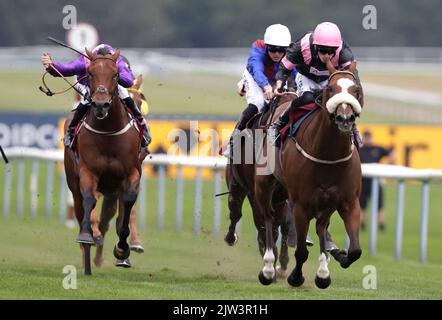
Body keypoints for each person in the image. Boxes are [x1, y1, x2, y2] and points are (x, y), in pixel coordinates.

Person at [269, 21, 362, 147]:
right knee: (307, 98)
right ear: (315, 46)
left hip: (328, 79)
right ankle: (279, 123)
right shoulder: (301, 46)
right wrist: (279, 83)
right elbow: (284, 67)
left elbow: (353, 75)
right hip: (306, 77)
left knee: (342, 99)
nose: (327, 56)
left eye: (331, 52)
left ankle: (353, 127)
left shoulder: (343, 50)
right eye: (323, 51)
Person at [41, 44, 150, 149]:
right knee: (85, 100)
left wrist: (112, 74)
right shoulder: (84, 62)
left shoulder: (117, 61)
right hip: (88, 83)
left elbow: (128, 81)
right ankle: (71, 131)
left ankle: (143, 126)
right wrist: (51, 66)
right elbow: (65, 69)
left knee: (126, 96)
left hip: (111, 83)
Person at [223, 23, 297, 158]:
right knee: (258, 103)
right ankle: (233, 141)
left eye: (281, 50)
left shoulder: (292, 51)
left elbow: (297, 73)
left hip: (278, 77)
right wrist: (265, 86)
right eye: (273, 49)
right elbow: (257, 70)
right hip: (255, 76)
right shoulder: (258, 47)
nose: (277, 54)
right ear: (267, 46)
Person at [359, 130, 395, 231]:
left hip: (376, 181)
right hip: (363, 181)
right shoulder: (359, 149)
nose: (367, 139)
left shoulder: (377, 148)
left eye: (369, 137)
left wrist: (387, 165)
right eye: (366, 137)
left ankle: (381, 224)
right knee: (362, 204)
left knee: (379, 205)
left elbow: (391, 153)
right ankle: (361, 223)